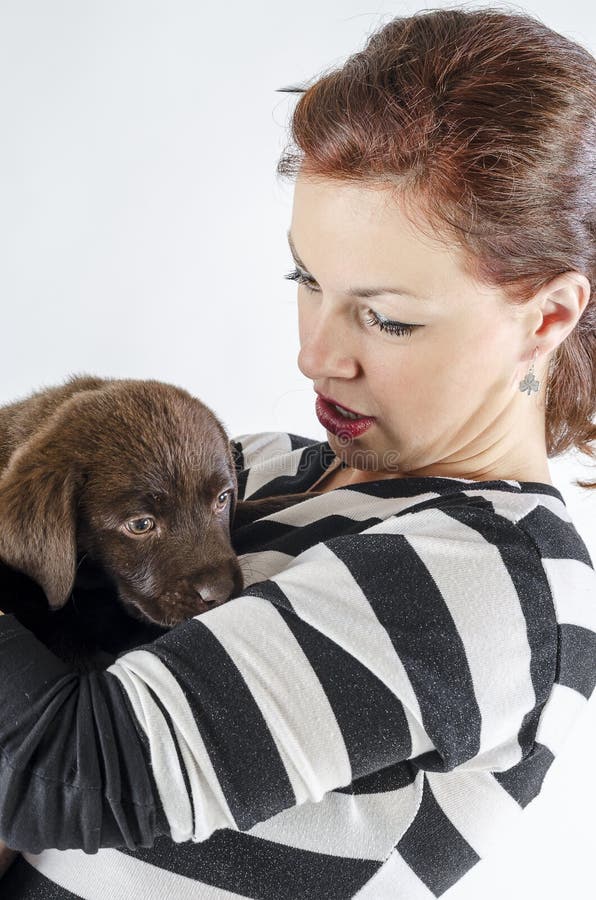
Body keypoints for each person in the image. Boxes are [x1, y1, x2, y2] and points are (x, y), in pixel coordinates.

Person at [1, 6, 595, 898]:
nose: (317, 355)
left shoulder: (502, 579)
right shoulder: (267, 465)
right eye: (307, 281)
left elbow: (61, 771)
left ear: (546, 317)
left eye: (387, 316)